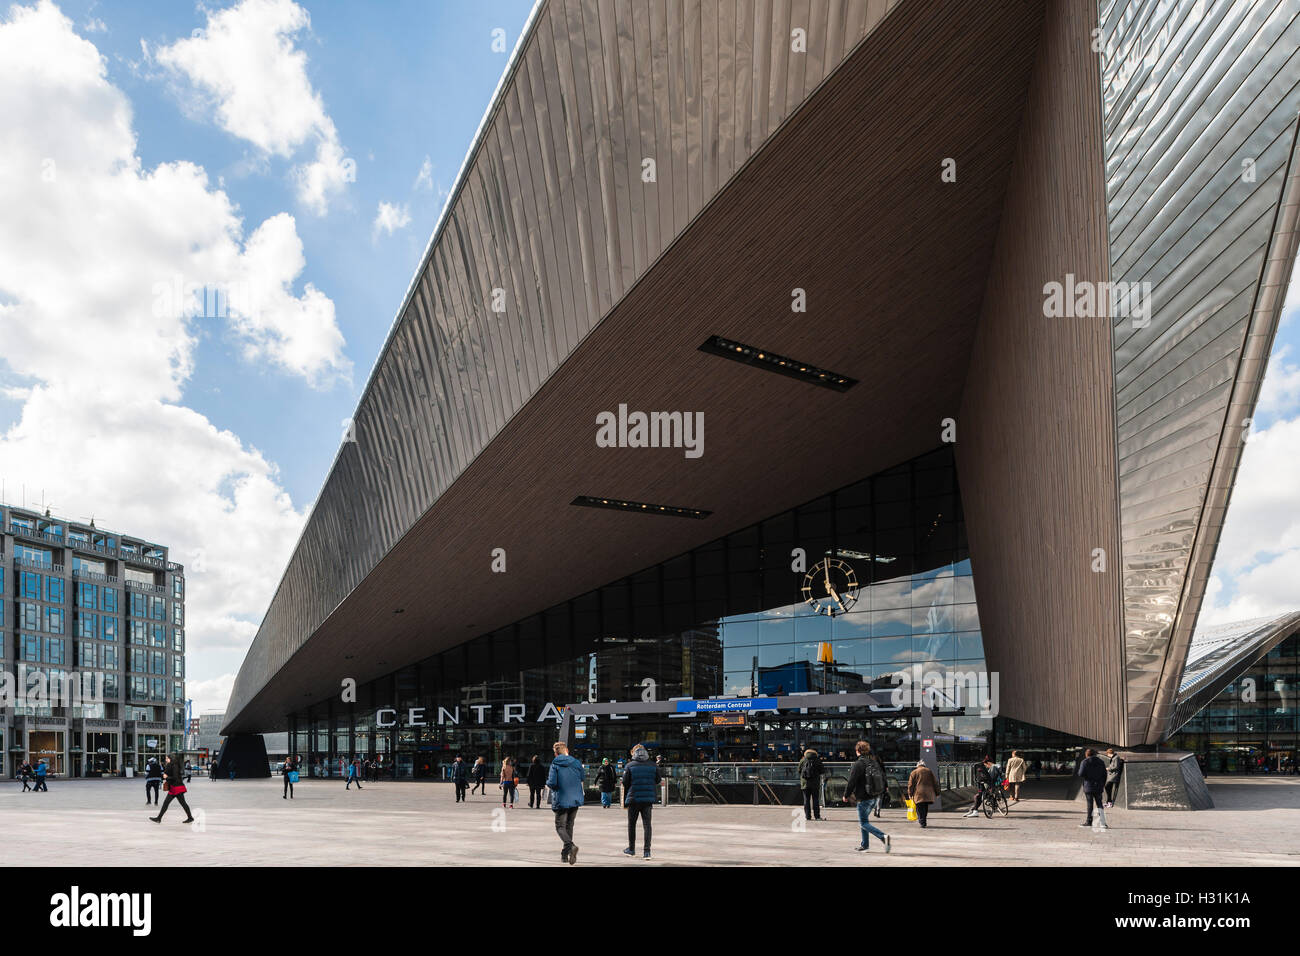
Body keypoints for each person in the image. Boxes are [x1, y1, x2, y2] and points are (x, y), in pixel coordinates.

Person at [844, 740, 890, 852]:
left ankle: (883, 837)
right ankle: (865, 845)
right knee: (864, 821)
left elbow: (851, 782)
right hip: (874, 797)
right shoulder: (873, 762)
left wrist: (846, 795)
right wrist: (885, 788)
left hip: (863, 798)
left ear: (857, 751)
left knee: (863, 822)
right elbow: (883, 776)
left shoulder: (858, 764)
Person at [622, 744, 663, 860]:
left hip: (633, 798)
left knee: (632, 825)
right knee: (647, 825)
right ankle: (647, 852)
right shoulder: (653, 765)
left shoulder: (629, 765)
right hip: (647, 800)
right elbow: (658, 780)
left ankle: (631, 849)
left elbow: (625, 782)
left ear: (634, 753)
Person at [546, 741, 584, 864]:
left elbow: (552, 783)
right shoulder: (576, 763)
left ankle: (571, 846)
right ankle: (565, 854)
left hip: (562, 799)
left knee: (560, 826)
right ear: (566, 750)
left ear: (556, 753)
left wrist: (548, 783)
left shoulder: (555, 764)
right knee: (569, 826)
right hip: (575, 798)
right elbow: (582, 777)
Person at [150, 754, 194, 824]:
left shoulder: (175, 766)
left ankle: (190, 817)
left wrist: (166, 777)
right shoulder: (170, 765)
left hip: (177, 787)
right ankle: (159, 818)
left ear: (171, 759)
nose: (166, 760)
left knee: (182, 803)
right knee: (167, 803)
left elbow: (175, 777)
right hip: (173, 788)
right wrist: (165, 776)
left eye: (167, 758)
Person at [1077, 748, 1109, 830]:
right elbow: (1105, 775)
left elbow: (1080, 774)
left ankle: (1089, 822)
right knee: (1099, 804)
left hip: (1089, 786)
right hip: (1098, 786)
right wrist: (1102, 784)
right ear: (1095, 754)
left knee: (1090, 804)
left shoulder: (1084, 762)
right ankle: (1103, 823)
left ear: (1087, 754)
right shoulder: (1101, 762)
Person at [906, 759, 939, 828]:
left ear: (917, 766)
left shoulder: (914, 772)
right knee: (925, 807)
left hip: (918, 793)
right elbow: (935, 783)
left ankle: (922, 822)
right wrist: (937, 793)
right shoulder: (929, 771)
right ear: (924, 765)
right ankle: (923, 820)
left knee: (919, 808)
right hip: (928, 793)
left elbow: (910, 784)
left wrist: (910, 794)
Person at [798, 747, 825, 821]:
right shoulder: (818, 760)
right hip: (815, 784)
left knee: (806, 800)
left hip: (805, 784)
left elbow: (799, 771)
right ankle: (817, 816)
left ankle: (807, 816)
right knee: (815, 800)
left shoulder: (802, 760)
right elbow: (822, 771)